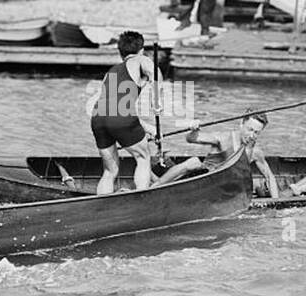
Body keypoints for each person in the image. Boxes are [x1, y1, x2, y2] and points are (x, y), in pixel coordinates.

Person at [87, 30, 155, 195]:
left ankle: (101, 205)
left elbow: (115, 106)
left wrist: (147, 128)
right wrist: (157, 100)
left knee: (110, 171)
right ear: (141, 50)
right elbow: (155, 73)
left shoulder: (111, 71)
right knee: (143, 158)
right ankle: (140, 200)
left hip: (98, 117)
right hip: (119, 117)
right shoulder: (140, 60)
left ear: (120, 52)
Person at [154, 113, 280, 198]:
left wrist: (276, 204)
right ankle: (154, 187)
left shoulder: (256, 152)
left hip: (225, 190)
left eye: (257, 132)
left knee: (256, 185)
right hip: (202, 180)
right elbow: (191, 139)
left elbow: (270, 177)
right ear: (241, 124)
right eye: (250, 130)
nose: (252, 135)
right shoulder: (223, 139)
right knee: (193, 162)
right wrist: (194, 129)